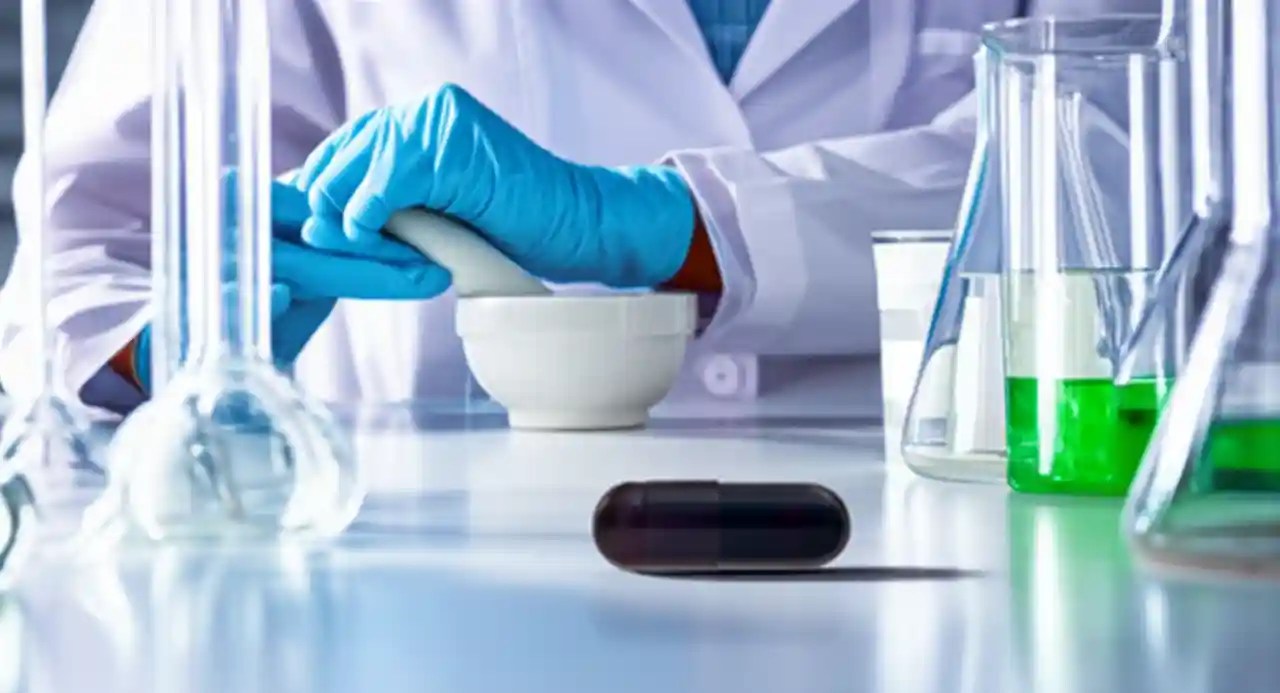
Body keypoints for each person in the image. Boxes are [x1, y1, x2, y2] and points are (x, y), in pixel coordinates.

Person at [0, 0, 1158, 415]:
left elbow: (1128, 161)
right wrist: (173, 357)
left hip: (935, 546)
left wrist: (663, 222)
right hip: (433, 594)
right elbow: (88, 241)